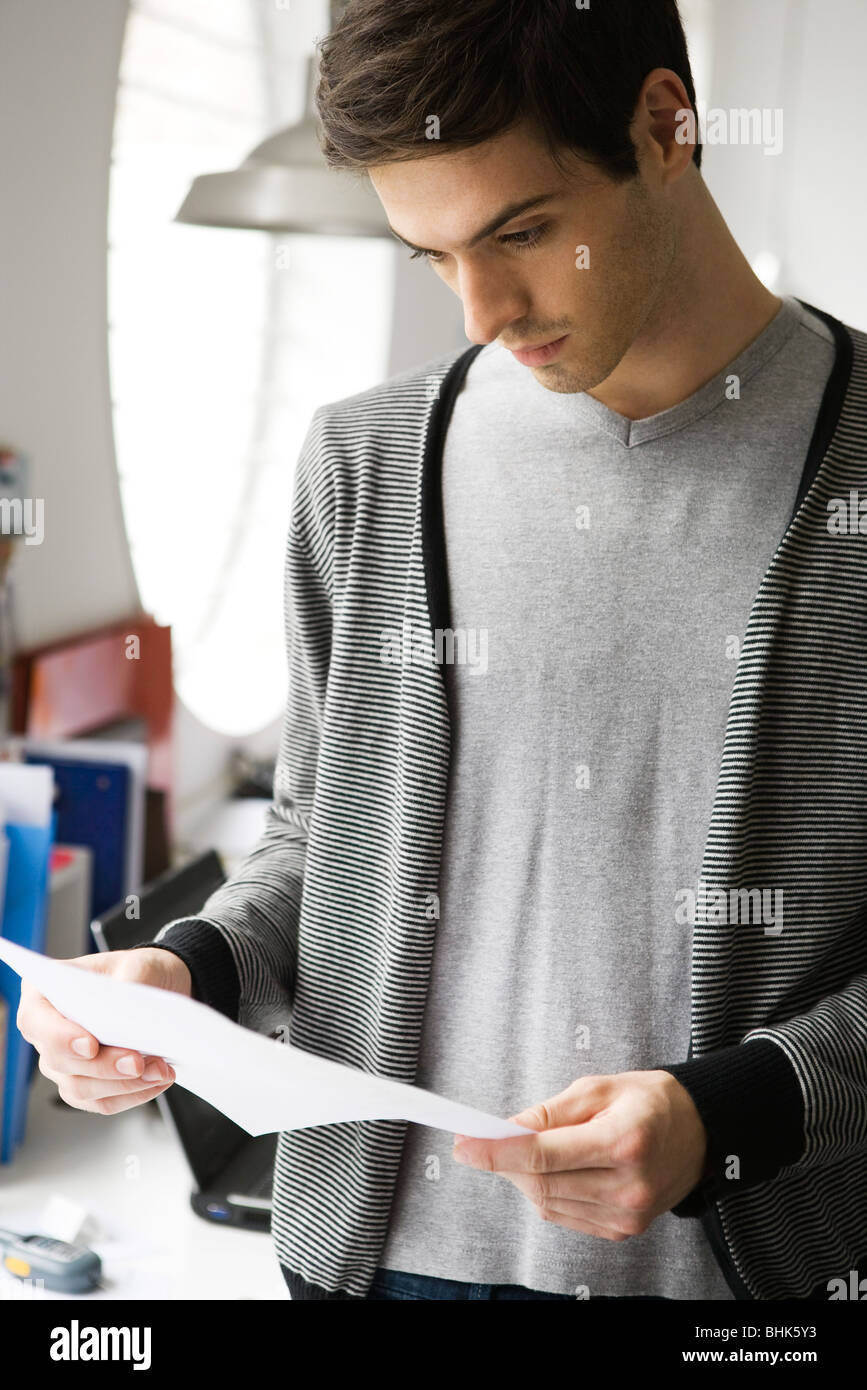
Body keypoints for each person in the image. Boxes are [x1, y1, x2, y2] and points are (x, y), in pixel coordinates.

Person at [19, 0, 867, 1302]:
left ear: (666, 125)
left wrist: (732, 1113)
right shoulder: (362, 465)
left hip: (737, 1288)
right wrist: (184, 971)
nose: (482, 313)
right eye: (429, 255)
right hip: (370, 1262)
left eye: (521, 232)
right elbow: (317, 841)